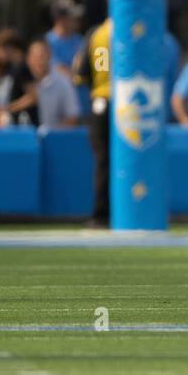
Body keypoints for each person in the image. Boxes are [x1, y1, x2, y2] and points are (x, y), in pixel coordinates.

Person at [73, 16, 112, 225]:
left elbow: (81, 75)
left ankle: (101, 214)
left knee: (103, 161)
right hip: (133, 105)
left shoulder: (98, 34)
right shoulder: (138, 30)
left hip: (102, 103)